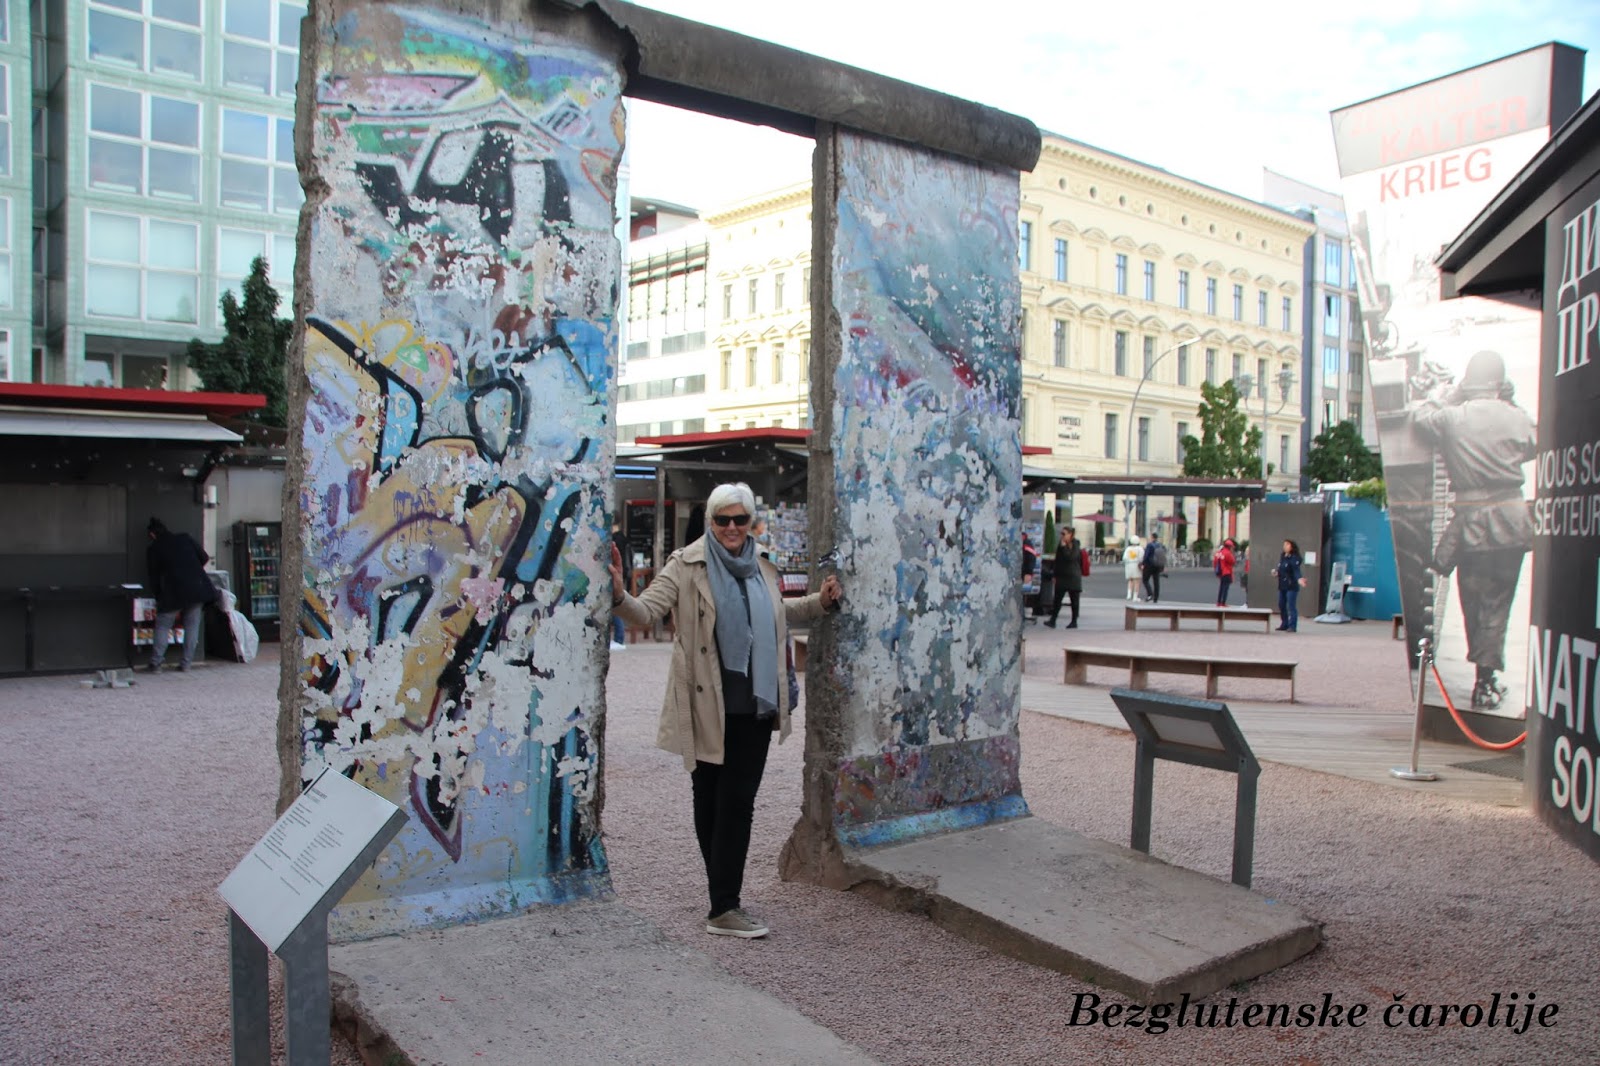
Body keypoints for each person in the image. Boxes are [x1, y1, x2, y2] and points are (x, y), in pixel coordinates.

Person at [610, 483, 843, 939]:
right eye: (723, 520)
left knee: (738, 803)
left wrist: (819, 603)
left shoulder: (761, 565)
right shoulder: (686, 564)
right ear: (710, 522)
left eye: (740, 519)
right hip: (707, 703)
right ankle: (723, 900)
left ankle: (724, 903)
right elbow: (646, 611)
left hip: (755, 704)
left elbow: (775, 611)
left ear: (751, 522)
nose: (732, 527)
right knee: (709, 798)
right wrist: (619, 596)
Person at [1412, 350, 1537, 710]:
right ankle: (1486, 679)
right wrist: (1509, 401)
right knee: (1498, 603)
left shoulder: (1453, 417)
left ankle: (1483, 676)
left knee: (1472, 602)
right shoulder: (1516, 417)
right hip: (1510, 522)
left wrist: (1452, 393)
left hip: (1471, 524)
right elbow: (1535, 443)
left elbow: (1421, 419)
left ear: (1469, 381)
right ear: (1500, 382)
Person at [144, 518, 219, 672]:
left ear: (152, 534)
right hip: (197, 589)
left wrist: (158, 595)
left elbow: (154, 576)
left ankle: (156, 663)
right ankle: (186, 664)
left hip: (173, 592)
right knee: (192, 626)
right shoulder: (185, 538)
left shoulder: (154, 548)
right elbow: (204, 557)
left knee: (163, 625)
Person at [1045, 527, 1085, 628]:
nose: (1062, 536)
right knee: (1057, 600)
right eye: (1061, 533)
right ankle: (1053, 620)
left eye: (1064, 534)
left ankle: (1074, 621)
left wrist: (1064, 547)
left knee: (1074, 600)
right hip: (1061, 576)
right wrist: (1054, 575)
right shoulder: (1061, 544)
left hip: (1073, 576)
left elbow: (1070, 558)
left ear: (1070, 535)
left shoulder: (1075, 544)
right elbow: (1057, 561)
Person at [1273, 539, 1307, 631]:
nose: (1285, 546)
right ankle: (1284, 623)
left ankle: (1292, 626)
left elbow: (1296, 570)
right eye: (1284, 545)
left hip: (1291, 585)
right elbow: (1281, 569)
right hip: (1282, 584)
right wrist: (1277, 573)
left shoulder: (1295, 558)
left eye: (1287, 545)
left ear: (1292, 547)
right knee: (1281, 604)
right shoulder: (1283, 556)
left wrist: (1299, 579)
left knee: (1291, 605)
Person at [610, 522, 632, 650]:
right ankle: (619, 637)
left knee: (615, 606)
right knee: (616, 605)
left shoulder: (615, 540)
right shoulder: (624, 539)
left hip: (615, 574)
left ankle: (619, 638)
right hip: (622, 574)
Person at [1141, 531, 1166, 604]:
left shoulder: (1150, 545)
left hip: (1149, 565)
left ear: (1152, 537)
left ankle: (1150, 594)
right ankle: (1156, 598)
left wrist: (1143, 563)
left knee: (1145, 580)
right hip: (1158, 565)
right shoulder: (1160, 545)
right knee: (1156, 582)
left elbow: (1146, 555)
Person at [1213, 538, 1238, 607]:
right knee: (1225, 588)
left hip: (1220, 572)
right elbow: (1233, 562)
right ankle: (1223, 603)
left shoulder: (1219, 553)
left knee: (1221, 587)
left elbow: (1214, 562)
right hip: (1227, 572)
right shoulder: (1228, 553)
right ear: (1230, 547)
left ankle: (1218, 602)